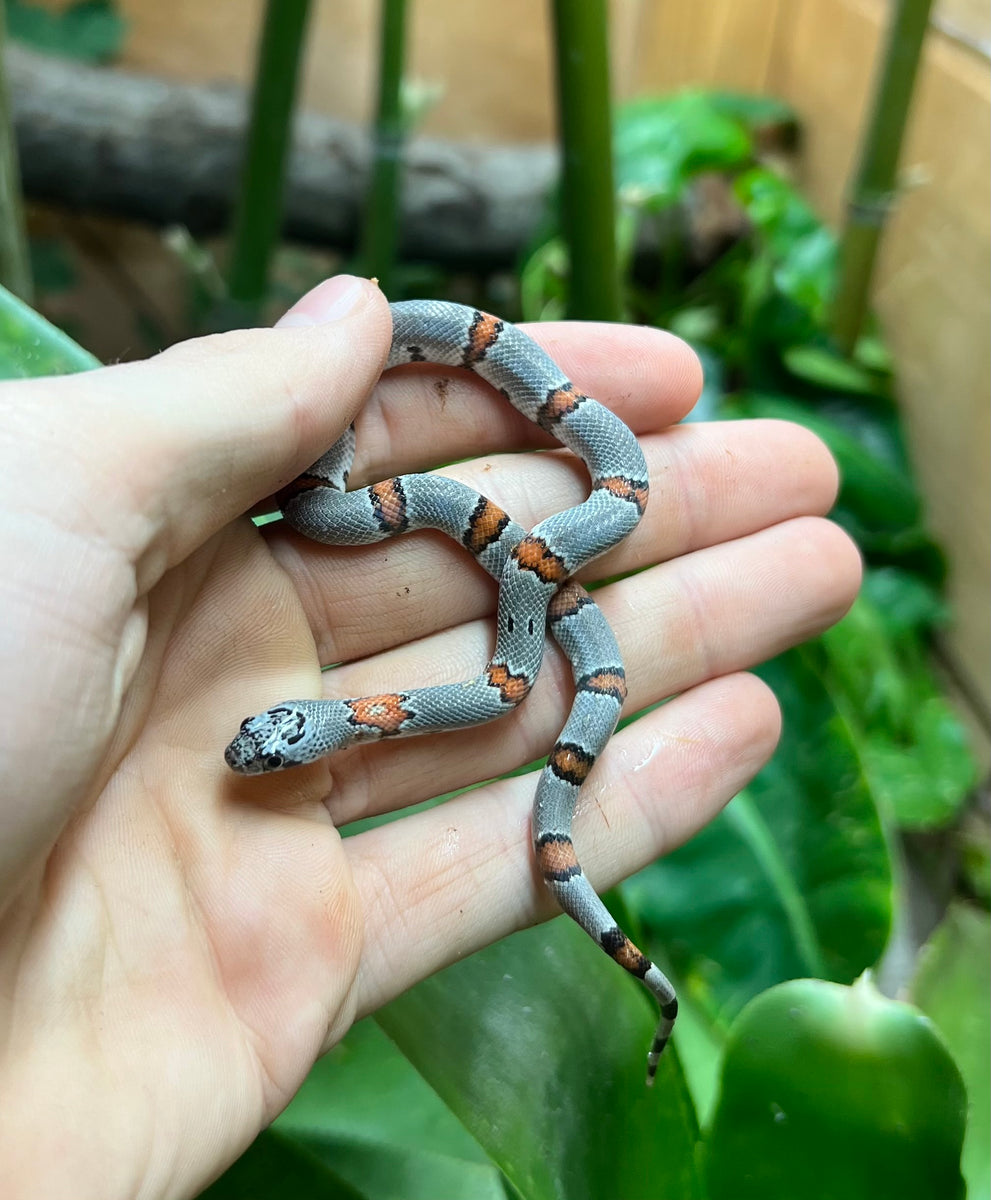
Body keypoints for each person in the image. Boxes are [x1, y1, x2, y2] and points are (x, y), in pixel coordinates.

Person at [0, 275, 860, 1197]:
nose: (255, 747)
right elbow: (503, 658)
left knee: (533, 671)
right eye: (267, 741)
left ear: (315, 740)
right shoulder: (347, 536)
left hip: (534, 512)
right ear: (314, 736)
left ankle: (595, 854)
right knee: (530, 672)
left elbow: (512, 659)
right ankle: (611, 896)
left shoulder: (483, 643)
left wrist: (529, 568)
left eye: (265, 739)